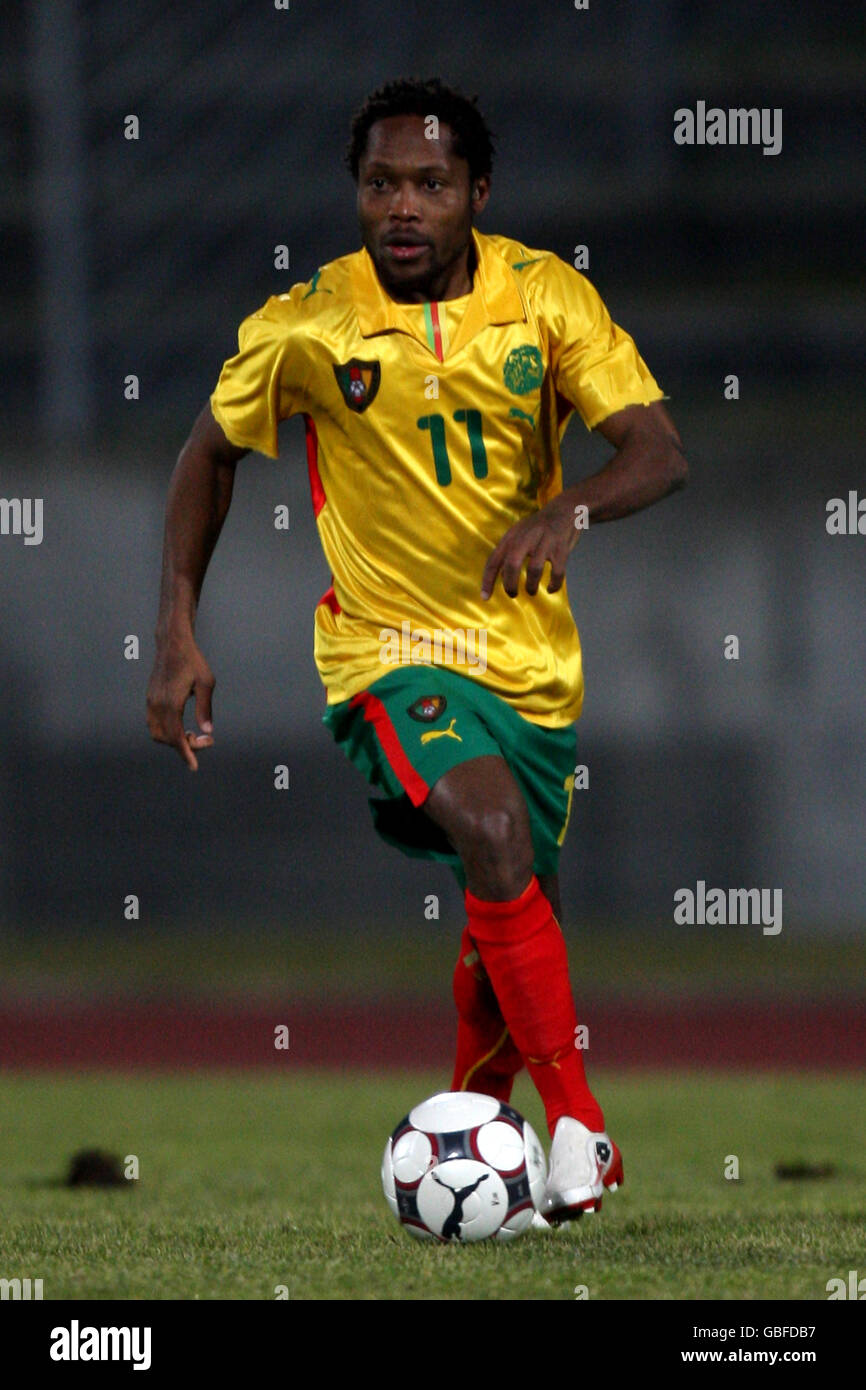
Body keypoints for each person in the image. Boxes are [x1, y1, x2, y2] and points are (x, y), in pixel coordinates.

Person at [145, 77, 688, 1224]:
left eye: (429, 185)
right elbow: (209, 452)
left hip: (530, 669)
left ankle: (472, 1146)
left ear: (475, 196)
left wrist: (569, 511)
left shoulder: (544, 300)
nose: (401, 206)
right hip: (387, 655)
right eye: (381, 183)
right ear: (356, 193)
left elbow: (655, 450)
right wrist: (176, 626)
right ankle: (581, 1127)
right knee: (488, 832)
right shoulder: (308, 325)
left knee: (509, 907)